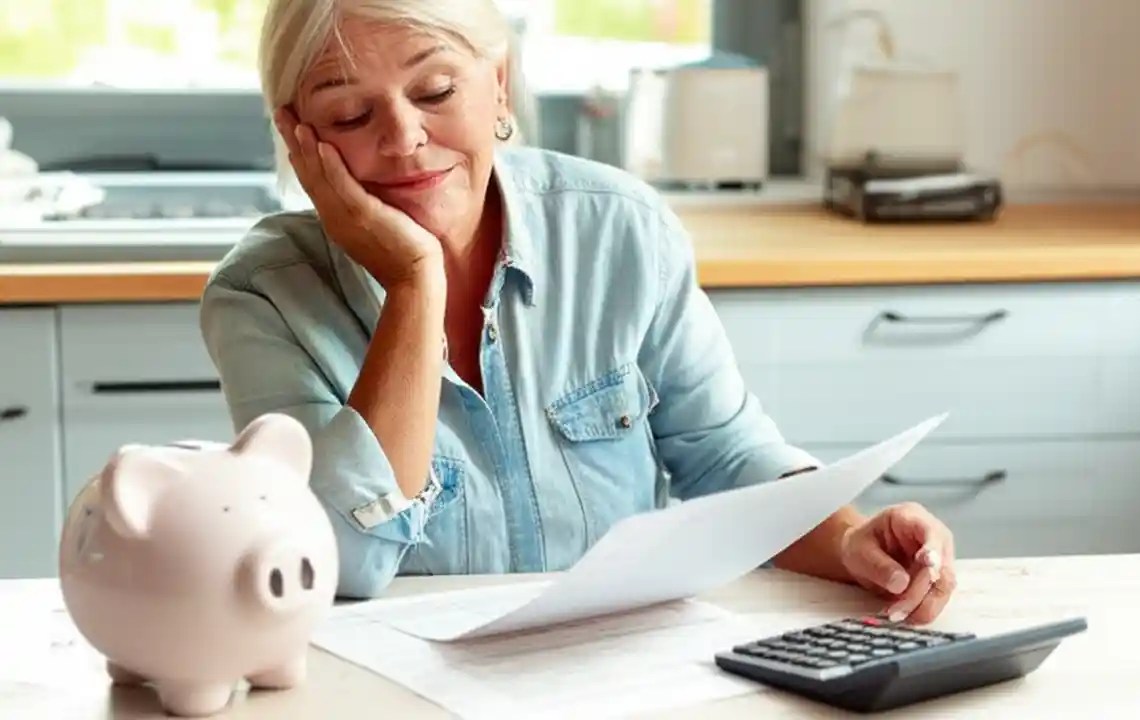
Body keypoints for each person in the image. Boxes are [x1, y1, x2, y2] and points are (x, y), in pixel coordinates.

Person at [199, 0, 957, 623]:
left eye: (435, 93)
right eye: (349, 114)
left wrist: (852, 538)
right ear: (299, 137)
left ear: (497, 85)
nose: (403, 139)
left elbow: (727, 460)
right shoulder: (263, 296)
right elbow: (337, 558)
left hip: (616, 673)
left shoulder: (619, 229)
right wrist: (414, 285)